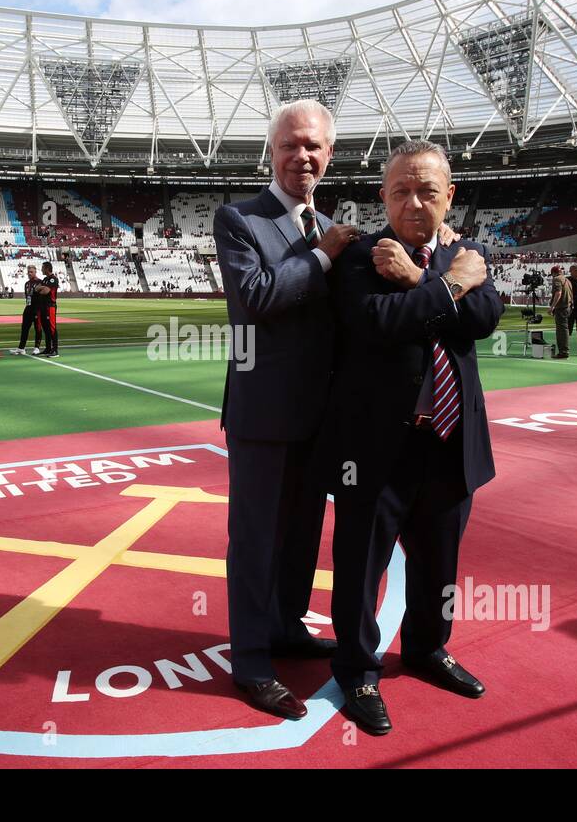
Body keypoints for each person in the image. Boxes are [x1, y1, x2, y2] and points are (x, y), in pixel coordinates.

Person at [317, 140, 501, 734]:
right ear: (383, 197)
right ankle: (357, 669)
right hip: (375, 447)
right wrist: (446, 287)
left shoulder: (466, 251)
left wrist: (420, 278)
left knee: (439, 564)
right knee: (359, 564)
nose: (413, 201)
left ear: (450, 195)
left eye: (427, 190)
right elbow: (380, 324)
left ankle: (427, 648)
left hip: (448, 440)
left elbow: (484, 321)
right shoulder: (357, 256)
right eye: (400, 190)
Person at [213, 99, 358, 720]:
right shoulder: (240, 218)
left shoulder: (327, 225)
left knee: (302, 535)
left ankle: (286, 629)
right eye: (292, 144)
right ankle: (249, 659)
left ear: (329, 155)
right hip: (261, 414)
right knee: (254, 539)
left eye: (315, 146)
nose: (304, 155)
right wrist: (323, 256)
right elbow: (255, 298)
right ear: (271, 152)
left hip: (317, 417)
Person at [11, 264, 44, 355]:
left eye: (31, 272)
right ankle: (21, 348)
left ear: (35, 272)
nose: (29, 273)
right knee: (24, 328)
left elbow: (43, 295)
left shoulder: (40, 282)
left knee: (38, 328)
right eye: (28, 272)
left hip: (37, 308)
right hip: (28, 307)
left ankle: (37, 347)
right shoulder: (27, 283)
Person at [35, 261, 60, 357]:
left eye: (42, 268)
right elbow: (37, 289)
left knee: (52, 328)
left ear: (46, 268)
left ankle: (55, 350)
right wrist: (42, 288)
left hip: (50, 306)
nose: (41, 269)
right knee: (45, 328)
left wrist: (41, 288)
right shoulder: (45, 279)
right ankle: (48, 348)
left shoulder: (53, 279)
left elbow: (45, 291)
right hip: (43, 306)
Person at [548, 265, 572, 358]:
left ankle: (563, 352)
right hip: (567, 307)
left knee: (561, 331)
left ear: (553, 273)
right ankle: (564, 351)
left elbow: (558, 293)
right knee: (564, 329)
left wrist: (552, 307)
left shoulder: (557, 279)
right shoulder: (567, 280)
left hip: (561, 307)